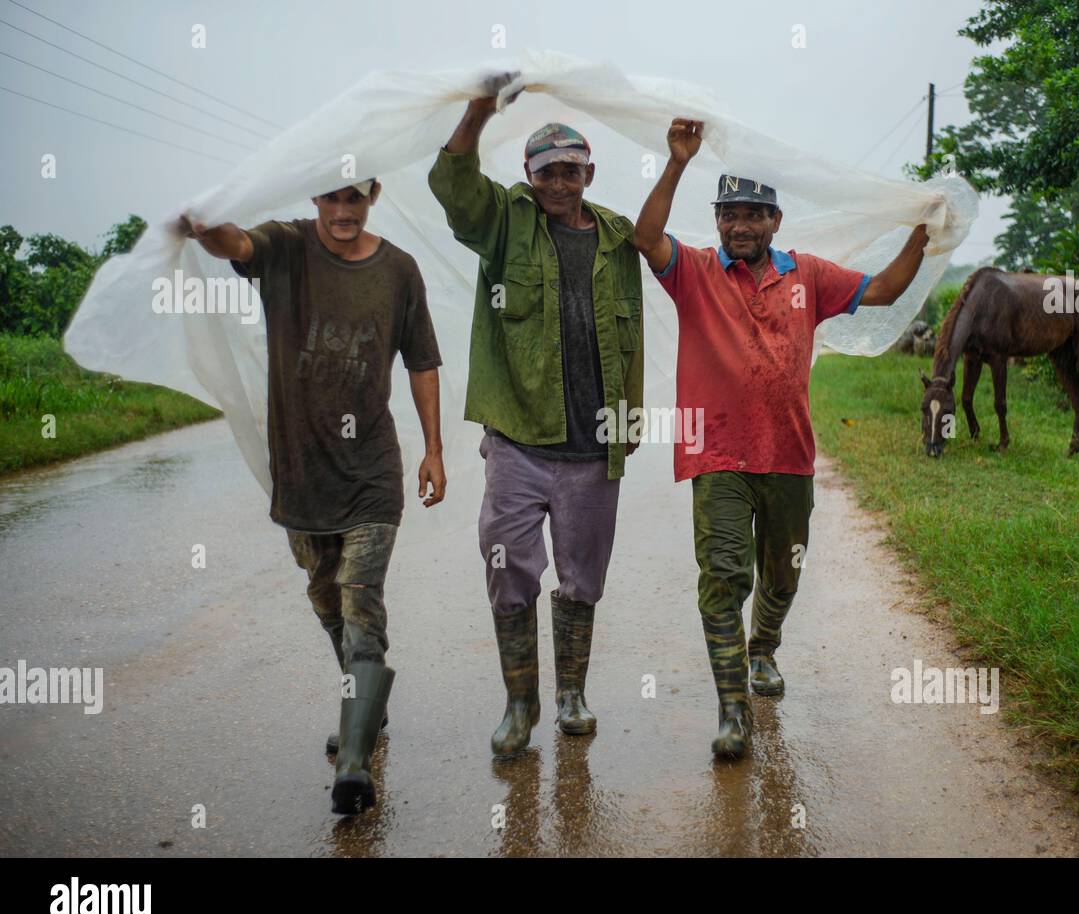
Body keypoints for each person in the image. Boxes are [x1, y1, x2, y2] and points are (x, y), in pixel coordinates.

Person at [633, 118, 932, 758]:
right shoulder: (693, 271)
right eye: (729, 214)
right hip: (715, 454)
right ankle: (733, 708)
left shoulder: (808, 277)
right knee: (722, 575)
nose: (739, 225)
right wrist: (678, 162)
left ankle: (763, 648)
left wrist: (922, 236)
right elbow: (645, 237)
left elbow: (881, 290)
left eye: (753, 214)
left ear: (775, 221)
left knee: (783, 572)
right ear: (716, 220)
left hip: (788, 455)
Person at [179, 177, 446, 812]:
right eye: (332, 198)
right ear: (315, 201)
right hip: (301, 473)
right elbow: (233, 242)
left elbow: (423, 360)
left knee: (360, 608)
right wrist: (197, 222)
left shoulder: (399, 270)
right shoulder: (286, 247)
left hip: (371, 474)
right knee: (328, 603)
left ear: (374, 195)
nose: (344, 211)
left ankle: (353, 763)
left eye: (355, 198)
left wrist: (433, 449)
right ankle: (366, 711)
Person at [428, 79, 644, 757]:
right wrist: (479, 107)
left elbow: (634, 334)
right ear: (529, 174)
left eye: (570, 170)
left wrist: (629, 424)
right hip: (519, 440)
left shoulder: (617, 237)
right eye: (546, 170)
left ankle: (571, 695)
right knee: (509, 566)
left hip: (591, 447)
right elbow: (454, 185)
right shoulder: (505, 222)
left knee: (581, 578)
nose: (558, 182)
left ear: (589, 174)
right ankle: (519, 704)